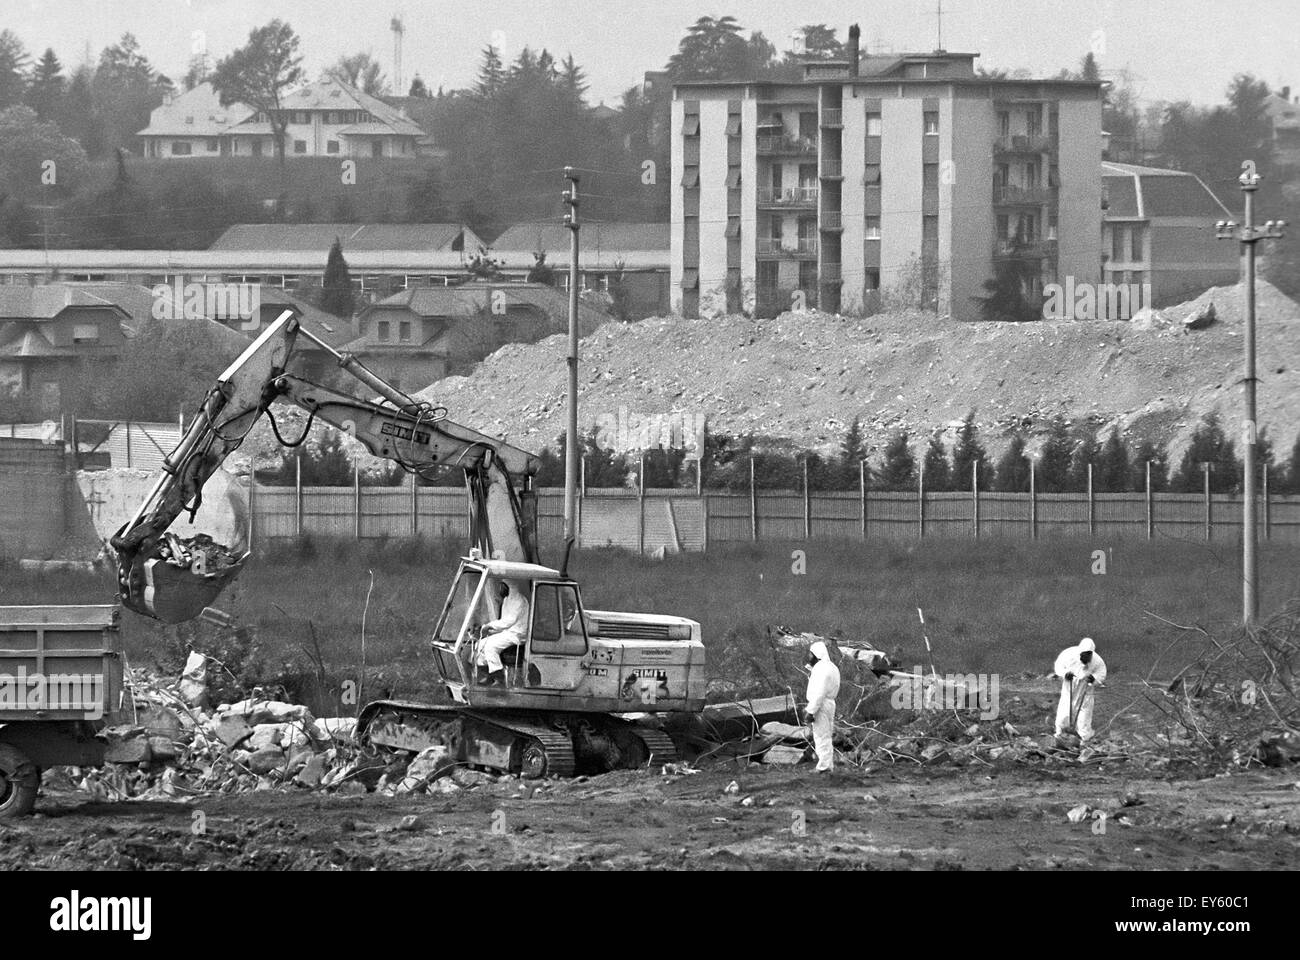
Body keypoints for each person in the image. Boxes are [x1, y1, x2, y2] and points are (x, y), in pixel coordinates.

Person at [476, 580, 529, 686]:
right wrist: (489, 630)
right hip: (508, 632)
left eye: (503, 586)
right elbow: (504, 622)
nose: (500, 588)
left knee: (490, 647)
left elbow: (509, 621)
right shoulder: (507, 599)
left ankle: (499, 680)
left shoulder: (519, 601)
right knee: (480, 645)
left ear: (510, 587)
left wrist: (490, 626)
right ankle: (489, 676)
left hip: (518, 634)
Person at [1053, 637, 1107, 741]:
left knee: (1084, 715)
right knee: (1065, 711)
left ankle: (1084, 738)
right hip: (1070, 688)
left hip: (1085, 690)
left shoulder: (1097, 661)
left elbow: (1101, 673)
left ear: (1091, 654)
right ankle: (1060, 734)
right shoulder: (1069, 655)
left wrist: (1093, 679)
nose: (1086, 659)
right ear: (1080, 653)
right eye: (1083, 656)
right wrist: (1065, 674)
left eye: (1088, 656)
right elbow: (1058, 666)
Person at [803, 640, 841, 772]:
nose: (808, 657)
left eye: (810, 654)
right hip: (830, 703)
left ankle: (824, 767)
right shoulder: (832, 667)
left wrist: (811, 711)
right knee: (827, 735)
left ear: (816, 654)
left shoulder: (821, 669)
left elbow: (819, 692)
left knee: (821, 736)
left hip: (822, 704)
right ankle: (827, 765)